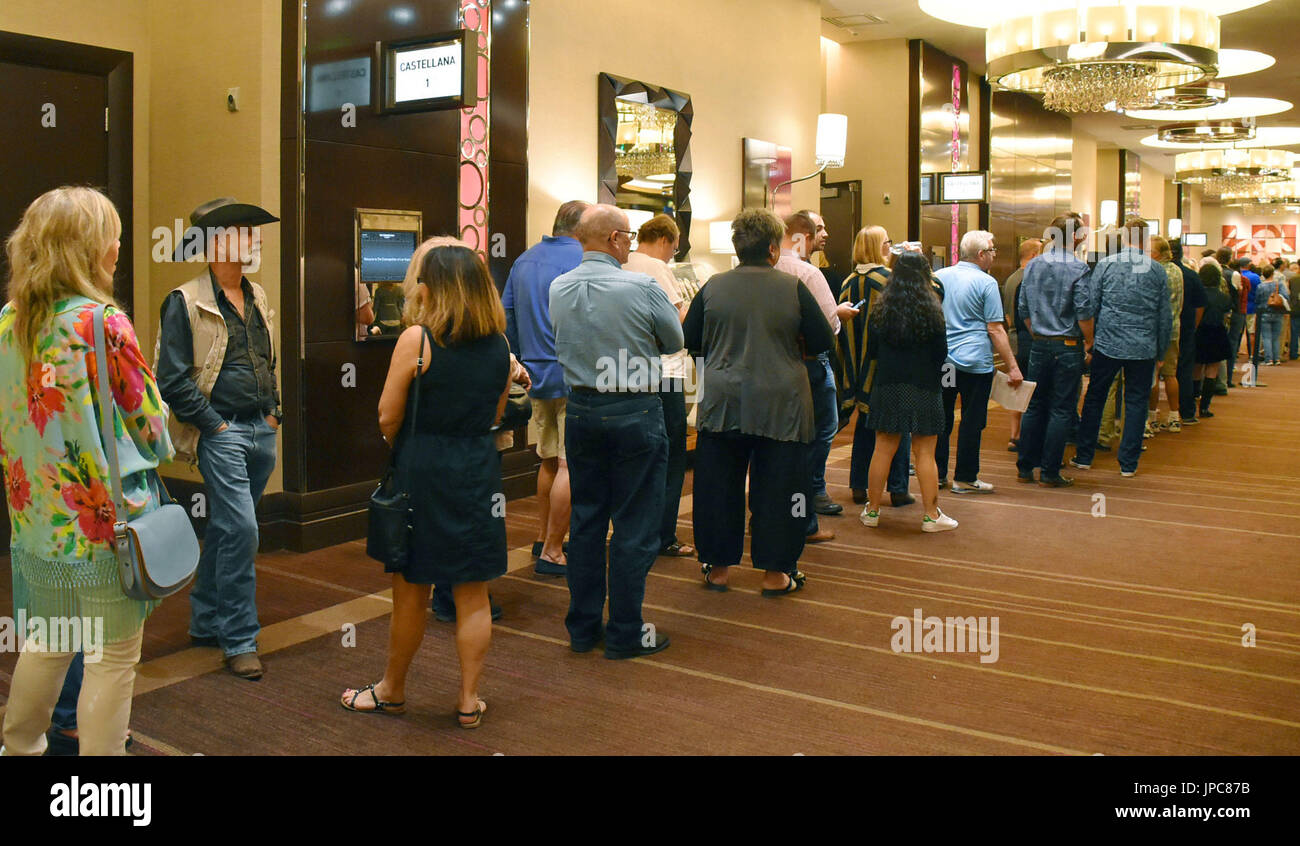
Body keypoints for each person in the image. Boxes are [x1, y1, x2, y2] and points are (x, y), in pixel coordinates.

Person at [0, 186, 173, 756]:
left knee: (48, 644)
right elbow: (153, 428)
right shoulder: (103, 323)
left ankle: (19, 748)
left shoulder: (8, 322)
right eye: (111, 237)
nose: (118, 248)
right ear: (90, 248)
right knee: (112, 658)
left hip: (37, 527)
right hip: (104, 529)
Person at [340, 237, 522, 728]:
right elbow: (499, 412)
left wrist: (408, 444)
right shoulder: (500, 347)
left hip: (422, 469)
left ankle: (392, 691)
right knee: (472, 590)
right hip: (478, 468)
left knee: (411, 591)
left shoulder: (417, 341)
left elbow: (387, 415)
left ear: (432, 290)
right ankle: (467, 699)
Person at [156, 197, 281, 681]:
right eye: (248, 232)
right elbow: (171, 378)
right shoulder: (185, 301)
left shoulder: (259, 296)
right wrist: (216, 427)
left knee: (229, 528)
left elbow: (268, 359)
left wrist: (274, 413)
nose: (258, 239)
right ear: (218, 242)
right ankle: (240, 638)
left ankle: (205, 618)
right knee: (245, 531)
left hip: (260, 428)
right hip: (221, 431)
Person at [550, 204, 682, 659]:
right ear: (613, 240)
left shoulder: (558, 286)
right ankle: (625, 630)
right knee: (634, 524)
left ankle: (582, 628)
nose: (630, 243)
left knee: (587, 523)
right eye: (627, 236)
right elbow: (676, 341)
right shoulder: (642, 286)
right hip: (634, 410)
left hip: (582, 411)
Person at [685, 208, 834, 592]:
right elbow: (822, 341)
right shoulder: (792, 286)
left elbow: (689, 339)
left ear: (738, 248)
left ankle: (717, 569)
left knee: (718, 487)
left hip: (721, 401)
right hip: (781, 403)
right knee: (781, 489)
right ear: (772, 249)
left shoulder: (713, 286)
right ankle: (775, 573)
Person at [501, 200, 586, 577]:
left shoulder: (524, 260)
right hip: (575, 374)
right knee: (572, 463)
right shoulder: (586, 259)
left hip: (535, 373)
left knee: (548, 458)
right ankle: (554, 550)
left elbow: (508, 318)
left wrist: (522, 362)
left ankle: (541, 537)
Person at [859, 252, 955, 532]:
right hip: (925, 386)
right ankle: (931, 516)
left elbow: (872, 351)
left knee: (882, 449)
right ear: (926, 276)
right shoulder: (933, 310)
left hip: (888, 384)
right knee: (925, 452)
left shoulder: (881, 310)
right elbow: (942, 353)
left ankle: (873, 511)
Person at [1070, 218, 1172, 478]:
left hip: (1107, 343)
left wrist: (1089, 341)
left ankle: (1084, 456)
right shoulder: (1157, 270)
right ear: (1146, 239)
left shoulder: (1105, 265)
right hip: (1144, 346)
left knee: (1095, 397)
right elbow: (1164, 316)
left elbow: (1091, 304)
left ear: (1124, 237)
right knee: (1136, 402)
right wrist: (1161, 352)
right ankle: (1128, 463)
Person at [777, 211, 858, 532]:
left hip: (772, 365)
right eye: (818, 231)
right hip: (809, 363)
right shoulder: (807, 272)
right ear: (804, 237)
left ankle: (774, 508)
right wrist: (838, 314)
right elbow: (830, 327)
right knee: (822, 430)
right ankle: (807, 502)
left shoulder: (759, 271)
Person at [623, 213, 695, 558]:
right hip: (666, 371)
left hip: (628, 370)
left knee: (639, 455)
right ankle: (664, 534)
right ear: (665, 240)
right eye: (674, 249)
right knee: (671, 454)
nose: (672, 256)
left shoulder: (621, 263)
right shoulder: (655, 267)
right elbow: (678, 319)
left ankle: (636, 531)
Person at [934, 230, 1023, 493]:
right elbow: (995, 328)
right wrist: (1013, 366)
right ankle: (965, 477)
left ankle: (938, 473)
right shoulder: (986, 283)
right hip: (975, 363)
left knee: (943, 417)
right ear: (981, 254)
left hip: (946, 362)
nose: (995, 255)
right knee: (973, 420)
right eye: (993, 250)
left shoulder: (939, 277)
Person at [837, 226, 913, 508]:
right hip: (885, 366)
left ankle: (858, 484)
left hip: (856, 367)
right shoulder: (889, 280)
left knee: (865, 427)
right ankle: (898, 487)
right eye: (887, 242)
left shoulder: (848, 281)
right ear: (880, 247)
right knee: (897, 427)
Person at [1016, 214, 1092, 487]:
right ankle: (1049, 471)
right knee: (1062, 408)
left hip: (1040, 344)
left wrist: (1036, 331)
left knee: (1034, 405)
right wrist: (1089, 341)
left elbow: (1023, 308)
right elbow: (1084, 310)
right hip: (1068, 345)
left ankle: (1025, 467)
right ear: (1074, 236)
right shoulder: (1079, 268)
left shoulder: (1034, 265)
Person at [1002, 237, 1042, 451]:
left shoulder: (1010, 279)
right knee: (1032, 390)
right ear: (1034, 255)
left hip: (1012, 340)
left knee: (1017, 389)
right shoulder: (1031, 279)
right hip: (1028, 340)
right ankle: (1026, 436)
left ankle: (1014, 434)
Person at [1145, 236, 1184, 435]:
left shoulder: (1155, 271)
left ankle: (1151, 417)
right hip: (1174, 328)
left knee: (1152, 375)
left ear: (1156, 253)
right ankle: (1174, 416)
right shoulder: (1177, 270)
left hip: (1155, 330)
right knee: (1170, 374)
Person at [1170, 239, 1206, 425]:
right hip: (1186, 327)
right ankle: (1186, 411)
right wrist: (1194, 325)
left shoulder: (1158, 273)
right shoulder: (1191, 275)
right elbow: (1200, 305)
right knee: (1184, 370)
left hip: (1163, 328)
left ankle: (1149, 416)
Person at [1193, 263, 1233, 419]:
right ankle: (1204, 407)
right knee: (1212, 370)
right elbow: (1226, 316)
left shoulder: (1198, 294)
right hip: (1217, 333)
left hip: (1199, 332)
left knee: (1196, 369)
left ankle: (1192, 401)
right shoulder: (1224, 297)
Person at [1256, 263, 1289, 366]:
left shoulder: (1260, 286)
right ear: (1272, 274)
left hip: (1264, 313)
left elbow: (1257, 300)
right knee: (1276, 337)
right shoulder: (1279, 285)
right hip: (1278, 313)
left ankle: (1268, 359)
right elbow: (1286, 297)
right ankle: (1277, 358)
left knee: (1266, 337)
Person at [1288, 261, 1300, 361]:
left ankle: (1293, 353)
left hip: (1295, 308)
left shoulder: (1293, 279)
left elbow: (1290, 294)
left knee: (1294, 332)